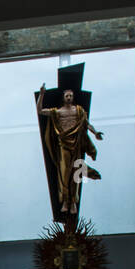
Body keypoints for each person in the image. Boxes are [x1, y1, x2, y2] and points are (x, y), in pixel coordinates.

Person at [37, 84, 104, 216]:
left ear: (73, 98)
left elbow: (87, 124)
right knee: (64, 174)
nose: (69, 97)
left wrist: (95, 133)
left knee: (76, 172)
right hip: (63, 146)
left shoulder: (78, 111)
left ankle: (73, 201)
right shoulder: (58, 112)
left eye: (71, 96)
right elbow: (40, 111)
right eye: (67, 96)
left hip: (77, 145)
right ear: (63, 98)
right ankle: (65, 201)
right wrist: (42, 94)